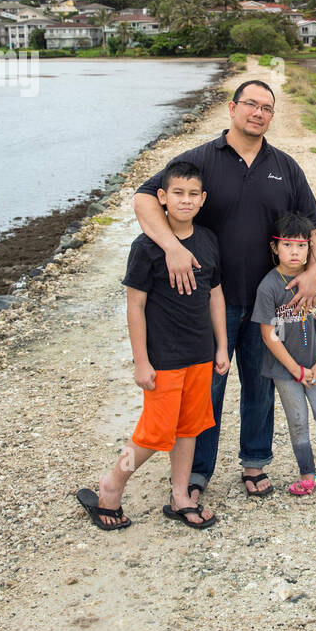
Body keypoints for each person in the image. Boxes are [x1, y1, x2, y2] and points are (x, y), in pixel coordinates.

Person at [132, 78, 316, 499]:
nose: (258, 113)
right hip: (209, 302)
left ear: (272, 116)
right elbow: (145, 197)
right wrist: (172, 248)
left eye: (267, 108)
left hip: (268, 302)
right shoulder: (201, 159)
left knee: (260, 386)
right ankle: (197, 472)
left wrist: (313, 272)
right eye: (251, 104)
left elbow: (313, 223)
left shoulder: (286, 166)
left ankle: (254, 464)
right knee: (206, 392)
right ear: (232, 108)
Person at [77, 160, 229, 530]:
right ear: (162, 197)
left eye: (193, 194)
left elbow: (215, 295)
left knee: (190, 427)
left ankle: (180, 496)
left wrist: (222, 346)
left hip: (200, 354)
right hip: (164, 358)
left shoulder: (208, 240)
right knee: (153, 434)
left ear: (203, 198)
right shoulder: (146, 247)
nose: (185, 201)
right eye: (177, 193)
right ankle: (112, 486)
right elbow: (135, 306)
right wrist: (141, 362)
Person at [252, 212, 316, 495]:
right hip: (285, 372)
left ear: (310, 247)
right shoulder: (269, 286)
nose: (295, 252)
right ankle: (306, 472)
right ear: (275, 248)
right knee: (297, 421)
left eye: (301, 245)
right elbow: (268, 334)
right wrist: (295, 370)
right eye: (287, 245)